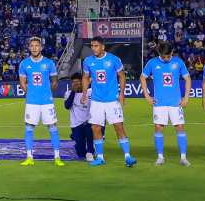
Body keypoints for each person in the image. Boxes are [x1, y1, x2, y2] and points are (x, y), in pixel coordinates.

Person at [81, 36, 136, 167]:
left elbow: (122, 76)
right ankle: (100, 157)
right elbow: (85, 77)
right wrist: (84, 93)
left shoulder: (113, 59)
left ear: (102, 47)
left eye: (96, 46)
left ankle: (127, 157)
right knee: (95, 128)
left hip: (112, 100)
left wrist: (122, 94)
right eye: (92, 46)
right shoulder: (88, 61)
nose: (93, 48)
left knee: (118, 127)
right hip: (96, 101)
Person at [141, 41, 192, 166]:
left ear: (172, 52)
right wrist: (146, 95)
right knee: (158, 128)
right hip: (159, 103)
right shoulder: (152, 63)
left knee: (180, 128)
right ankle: (160, 157)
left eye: (168, 56)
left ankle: (183, 158)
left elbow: (188, 78)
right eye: (163, 57)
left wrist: (186, 97)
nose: (166, 59)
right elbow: (142, 77)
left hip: (176, 103)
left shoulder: (178, 62)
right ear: (159, 53)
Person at [17, 36, 64, 166]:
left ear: (41, 47)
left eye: (36, 46)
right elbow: (22, 82)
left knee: (53, 127)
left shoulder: (49, 63)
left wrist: (47, 92)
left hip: (47, 102)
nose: (34, 48)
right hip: (32, 102)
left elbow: (54, 81)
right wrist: (30, 93)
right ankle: (29, 157)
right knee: (29, 128)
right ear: (29, 48)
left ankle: (57, 157)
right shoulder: (24, 64)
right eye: (32, 46)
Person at [63, 73, 94, 161]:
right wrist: (73, 91)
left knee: (92, 130)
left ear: (82, 82)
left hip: (89, 122)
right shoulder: (68, 93)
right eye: (74, 83)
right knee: (81, 154)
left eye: (78, 82)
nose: (76, 84)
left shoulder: (90, 92)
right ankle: (75, 137)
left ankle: (91, 150)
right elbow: (67, 106)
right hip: (76, 124)